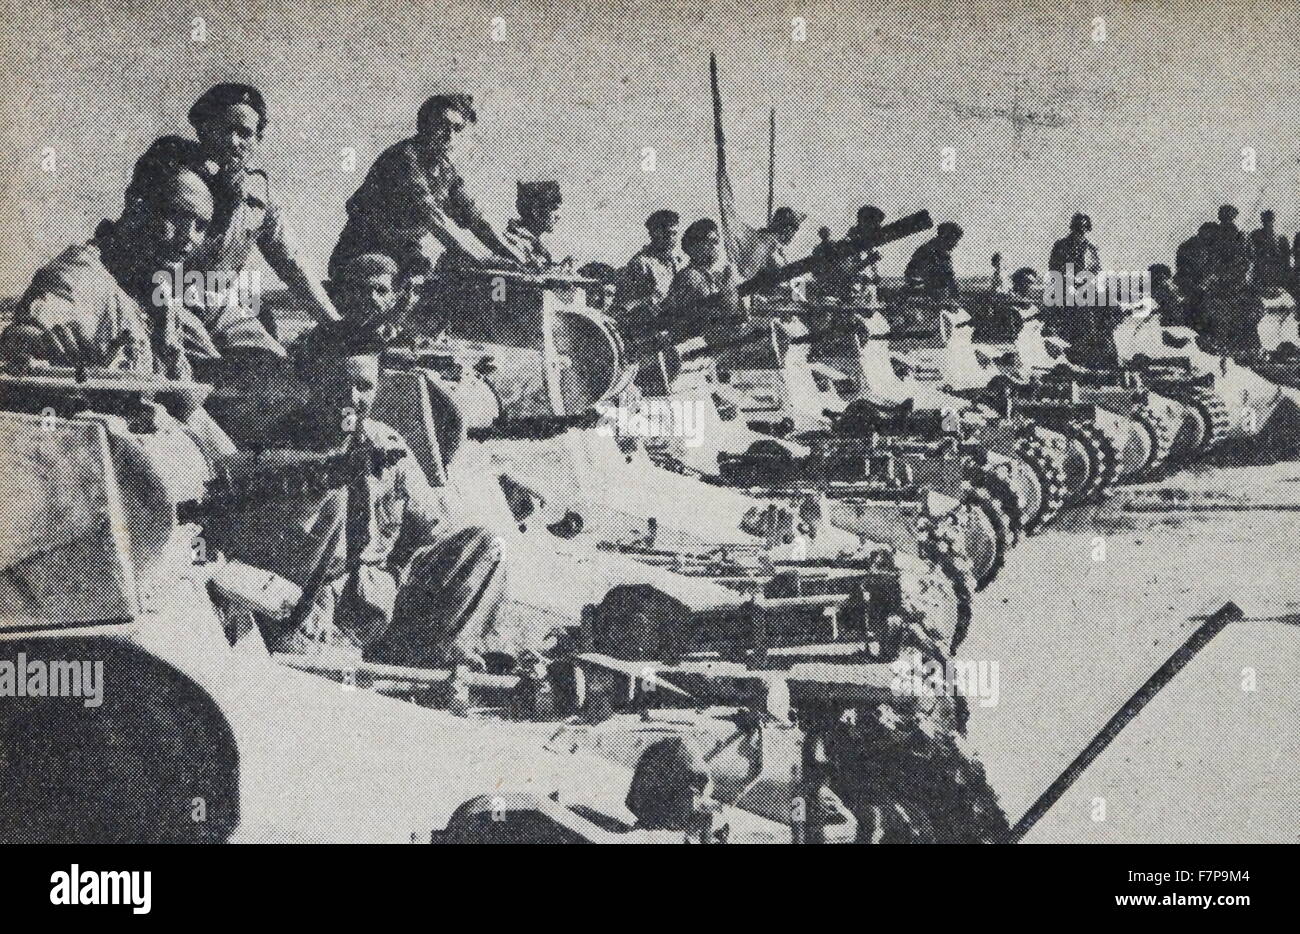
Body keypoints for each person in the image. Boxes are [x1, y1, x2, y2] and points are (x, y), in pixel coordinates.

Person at [204, 328, 508, 670]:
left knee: (484, 546)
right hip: (308, 611)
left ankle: (435, 659)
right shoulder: (275, 450)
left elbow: (431, 531)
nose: (350, 397)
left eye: (364, 387)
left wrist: (398, 576)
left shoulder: (385, 444)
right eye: (337, 385)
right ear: (311, 384)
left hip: (378, 602)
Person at [0, 150, 233, 459]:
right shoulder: (81, 274)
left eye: (200, 226)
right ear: (136, 205)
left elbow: (185, 404)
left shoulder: (157, 290)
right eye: (175, 217)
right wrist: (37, 342)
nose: (187, 238)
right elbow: (19, 338)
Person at [181, 83, 341, 352]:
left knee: (274, 365)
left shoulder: (259, 197)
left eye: (244, 133)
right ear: (204, 129)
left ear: (258, 140)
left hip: (219, 307)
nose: (233, 142)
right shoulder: (174, 176)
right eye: (223, 130)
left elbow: (291, 262)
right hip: (164, 299)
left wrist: (335, 326)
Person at [329, 93, 521, 279]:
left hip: (403, 254)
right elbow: (435, 222)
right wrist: (484, 263)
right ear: (424, 125)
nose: (449, 136)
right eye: (442, 126)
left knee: (441, 280)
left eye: (458, 128)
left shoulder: (445, 170)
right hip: (363, 254)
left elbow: (476, 220)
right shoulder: (404, 159)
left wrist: (516, 260)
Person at [661, 218, 740, 340]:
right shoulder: (691, 277)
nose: (715, 247)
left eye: (716, 242)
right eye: (710, 242)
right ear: (693, 247)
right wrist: (730, 285)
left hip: (714, 341)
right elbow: (713, 316)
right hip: (696, 346)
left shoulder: (713, 276)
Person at [613, 209, 684, 312]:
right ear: (653, 234)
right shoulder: (640, 264)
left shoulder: (678, 262)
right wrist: (654, 301)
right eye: (667, 234)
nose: (671, 239)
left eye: (674, 234)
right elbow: (625, 305)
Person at [501, 181, 566, 272]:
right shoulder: (514, 241)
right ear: (536, 211)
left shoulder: (534, 242)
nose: (558, 216)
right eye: (554, 209)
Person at [735, 205, 806, 280]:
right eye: (793, 231)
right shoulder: (767, 242)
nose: (793, 236)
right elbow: (747, 271)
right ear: (786, 229)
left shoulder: (774, 245)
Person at [903, 221, 963, 300]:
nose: (955, 244)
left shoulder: (935, 250)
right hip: (923, 292)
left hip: (922, 289)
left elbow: (949, 278)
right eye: (954, 240)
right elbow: (948, 278)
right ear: (946, 238)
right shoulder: (933, 251)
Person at [1047, 213, 1101, 287]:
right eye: (1078, 229)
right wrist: (1068, 280)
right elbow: (1053, 268)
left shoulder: (1091, 249)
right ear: (1073, 228)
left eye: (1085, 228)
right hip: (1064, 287)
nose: (1081, 232)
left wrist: (1085, 280)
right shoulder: (1060, 246)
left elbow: (1096, 269)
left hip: (1085, 287)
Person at [1249, 210, 1289, 288]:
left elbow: (1283, 255)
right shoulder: (1256, 233)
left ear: (1273, 220)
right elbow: (1256, 250)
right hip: (1262, 265)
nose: (1267, 222)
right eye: (1265, 219)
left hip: (1274, 266)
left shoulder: (1280, 237)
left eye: (1269, 219)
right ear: (1262, 220)